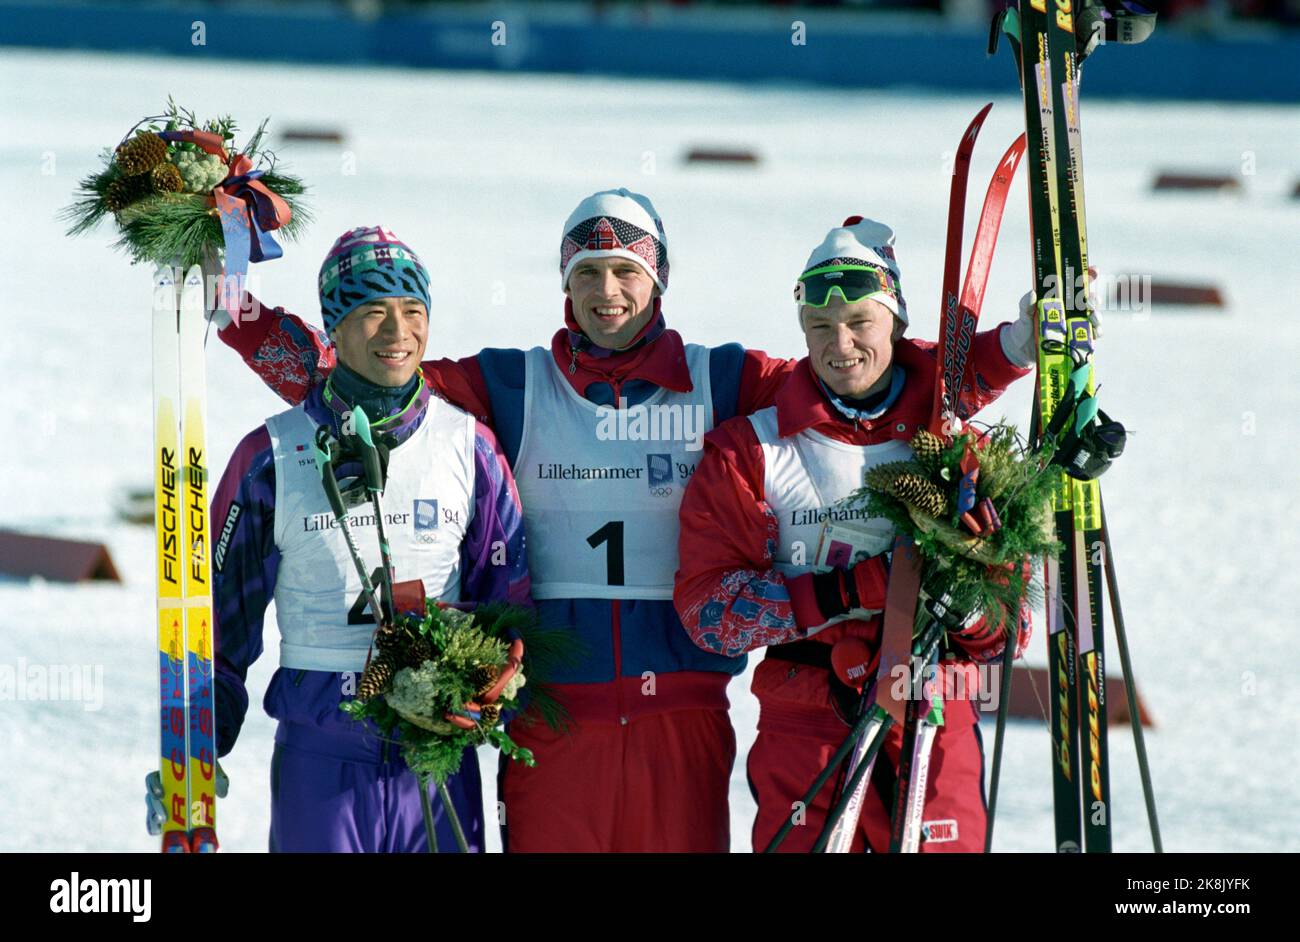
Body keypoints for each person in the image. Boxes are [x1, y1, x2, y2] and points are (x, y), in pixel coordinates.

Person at [212, 189, 799, 852]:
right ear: (564, 284)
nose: (607, 290)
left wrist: (935, 388)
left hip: (683, 722)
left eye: (627, 270)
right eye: (586, 272)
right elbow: (353, 380)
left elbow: (845, 385)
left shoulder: (723, 378)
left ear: (659, 278)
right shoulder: (515, 386)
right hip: (554, 731)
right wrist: (232, 306)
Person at [674, 217, 1037, 853]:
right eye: (819, 326)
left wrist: (970, 607)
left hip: (934, 711)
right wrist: (853, 589)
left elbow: (1012, 629)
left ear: (895, 323)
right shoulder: (752, 449)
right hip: (806, 715)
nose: (839, 343)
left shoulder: (955, 449)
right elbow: (709, 613)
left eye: (859, 322)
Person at [207, 226, 530, 852]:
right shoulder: (270, 455)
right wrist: (194, 746)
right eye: (372, 312)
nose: (397, 332)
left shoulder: (470, 447)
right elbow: (219, 624)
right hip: (320, 757)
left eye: (413, 311)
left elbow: (510, 608)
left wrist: (486, 695)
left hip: (436, 765)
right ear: (334, 324)